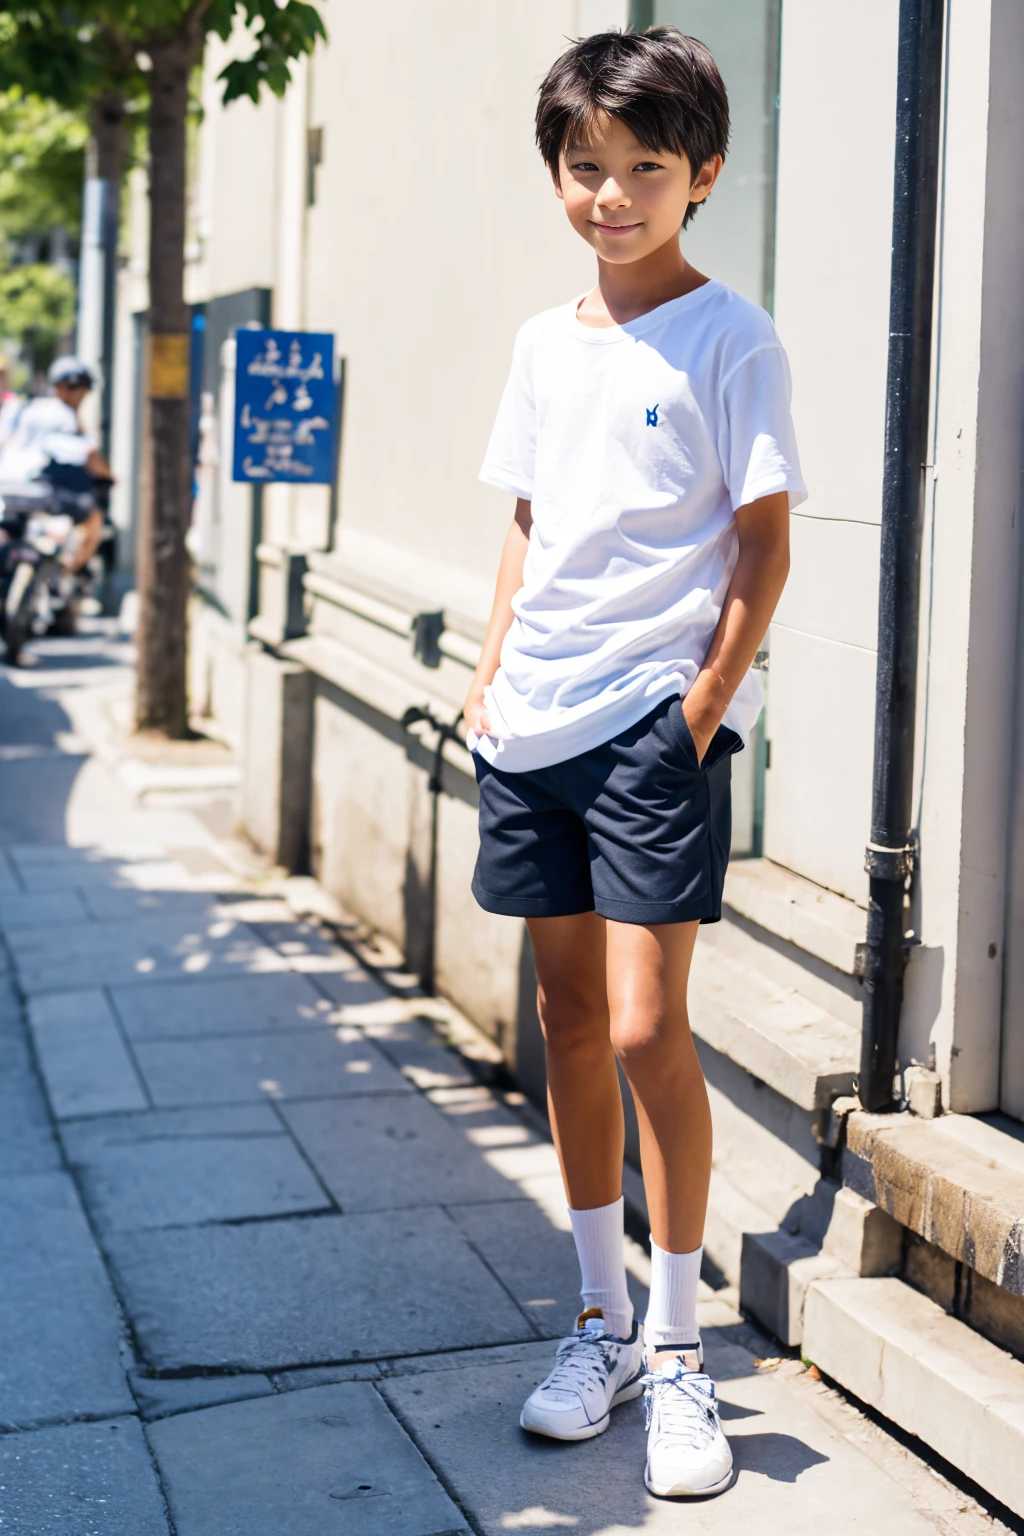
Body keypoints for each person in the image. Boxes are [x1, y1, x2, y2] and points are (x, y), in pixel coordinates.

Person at [463, 27, 805, 1499]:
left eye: (642, 169)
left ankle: (681, 1352)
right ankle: (596, 1321)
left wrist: (701, 705)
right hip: (530, 719)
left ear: (702, 175)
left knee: (651, 1020)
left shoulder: (732, 336)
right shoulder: (548, 345)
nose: (610, 195)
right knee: (567, 1019)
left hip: (647, 723)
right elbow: (533, 519)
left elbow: (764, 538)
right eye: (584, 167)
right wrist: (487, 668)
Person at [0, 356, 113, 573]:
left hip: (6, 488)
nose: (83, 396)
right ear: (66, 388)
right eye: (81, 389)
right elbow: (90, 456)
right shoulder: (65, 414)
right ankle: (65, 572)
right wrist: (110, 476)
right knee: (94, 517)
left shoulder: (21, 407)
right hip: (40, 490)